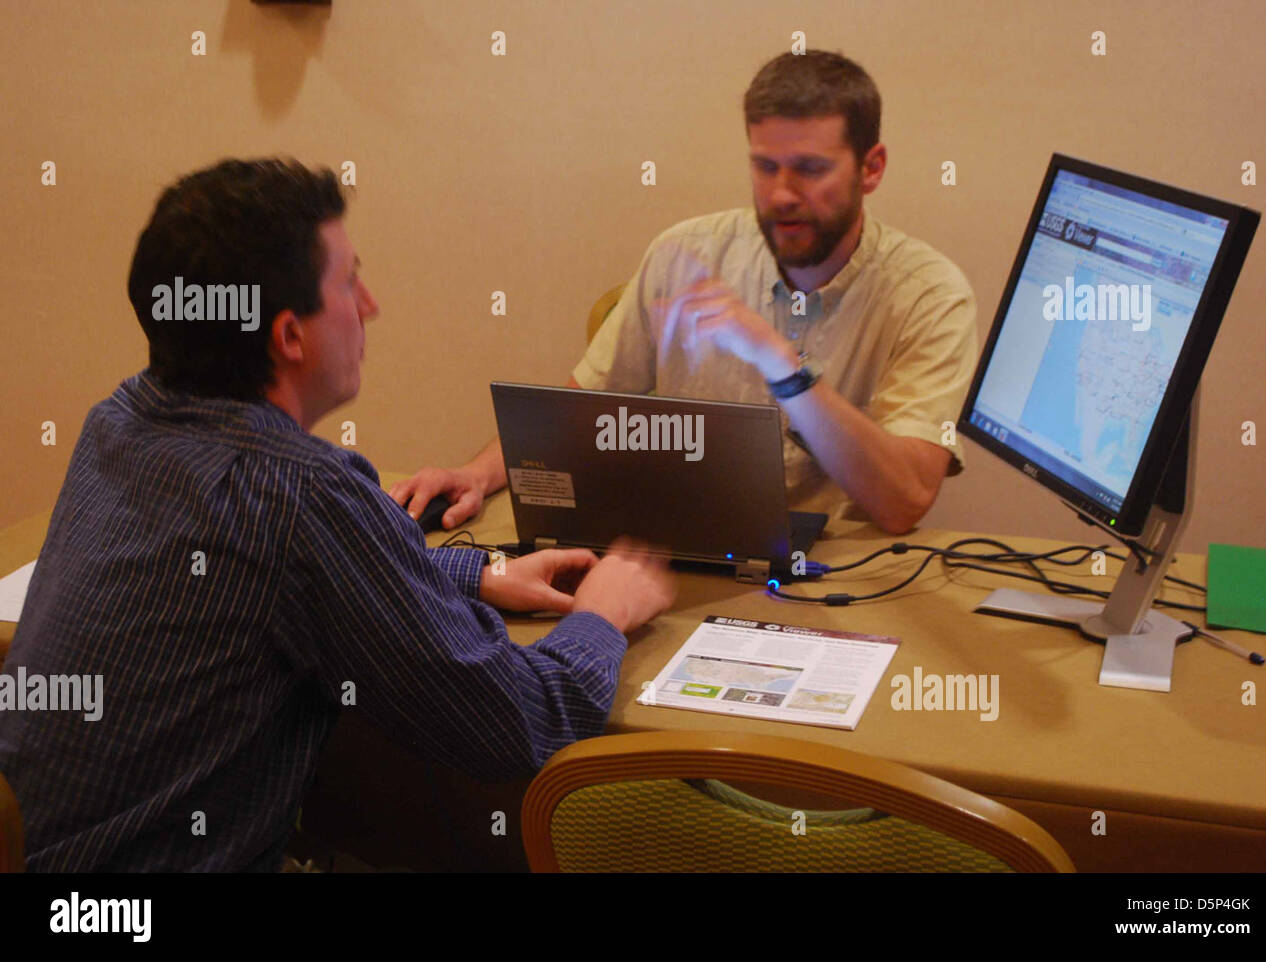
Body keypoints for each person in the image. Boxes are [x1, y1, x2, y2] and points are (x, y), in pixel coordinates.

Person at [0, 158, 674, 872]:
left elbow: (258, 576)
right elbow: (515, 724)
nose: (372, 305)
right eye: (350, 281)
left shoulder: (120, 419)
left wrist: (469, 574)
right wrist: (602, 616)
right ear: (290, 337)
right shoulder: (299, 494)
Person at [392, 51, 978, 537]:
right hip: (680, 563)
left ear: (871, 168)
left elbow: (905, 502)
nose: (781, 195)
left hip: (835, 579)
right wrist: (476, 473)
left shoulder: (930, 296)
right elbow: (580, 411)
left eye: (809, 168)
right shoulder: (687, 251)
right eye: (765, 166)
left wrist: (783, 364)